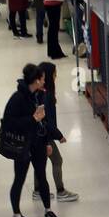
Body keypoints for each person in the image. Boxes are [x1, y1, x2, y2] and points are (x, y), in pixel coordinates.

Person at [0, 63, 59, 217]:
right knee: (19, 178)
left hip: (38, 142)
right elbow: (10, 123)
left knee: (42, 176)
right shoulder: (17, 98)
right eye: (42, 79)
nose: (44, 81)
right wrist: (32, 119)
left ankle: (48, 209)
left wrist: (47, 141)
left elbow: (44, 119)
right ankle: (16, 215)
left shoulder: (39, 95)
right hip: (23, 145)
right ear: (36, 80)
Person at [37, 62, 78, 202]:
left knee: (40, 161)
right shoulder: (47, 96)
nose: (56, 76)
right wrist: (58, 135)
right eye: (54, 74)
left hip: (36, 134)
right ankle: (60, 191)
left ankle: (38, 191)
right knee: (57, 160)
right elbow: (46, 120)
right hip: (44, 135)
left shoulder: (37, 92)